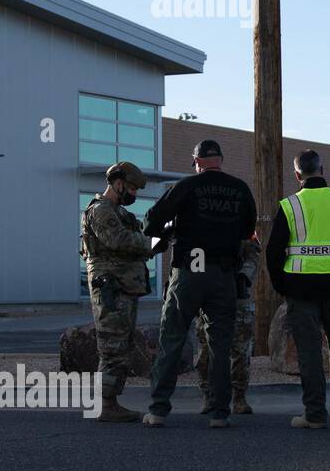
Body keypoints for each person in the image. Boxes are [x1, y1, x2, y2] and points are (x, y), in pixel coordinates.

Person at [143, 139, 257, 428]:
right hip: (223, 276)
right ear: (221, 159)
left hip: (189, 271)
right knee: (221, 346)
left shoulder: (185, 187)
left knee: (172, 339)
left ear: (196, 163)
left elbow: (151, 223)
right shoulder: (241, 190)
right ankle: (220, 412)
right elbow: (247, 232)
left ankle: (158, 409)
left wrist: (170, 231)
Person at [266, 150, 330, 429]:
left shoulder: (290, 206)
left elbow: (273, 252)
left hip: (300, 291)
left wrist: (281, 286)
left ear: (297, 174)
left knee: (310, 355)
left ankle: (314, 415)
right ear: (322, 170)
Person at [81, 162, 154, 423]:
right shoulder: (101, 210)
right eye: (132, 188)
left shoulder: (120, 213)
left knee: (121, 345)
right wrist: (155, 243)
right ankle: (106, 404)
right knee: (112, 346)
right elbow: (119, 241)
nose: (134, 193)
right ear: (118, 183)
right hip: (112, 288)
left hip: (125, 287)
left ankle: (111, 401)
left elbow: (139, 235)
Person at [195, 234, 261, 415]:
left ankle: (239, 397)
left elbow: (253, 255)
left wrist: (243, 277)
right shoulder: (201, 221)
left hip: (237, 296)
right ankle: (208, 396)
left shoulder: (241, 223)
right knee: (205, 351)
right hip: (208, 297)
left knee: (240, 351)